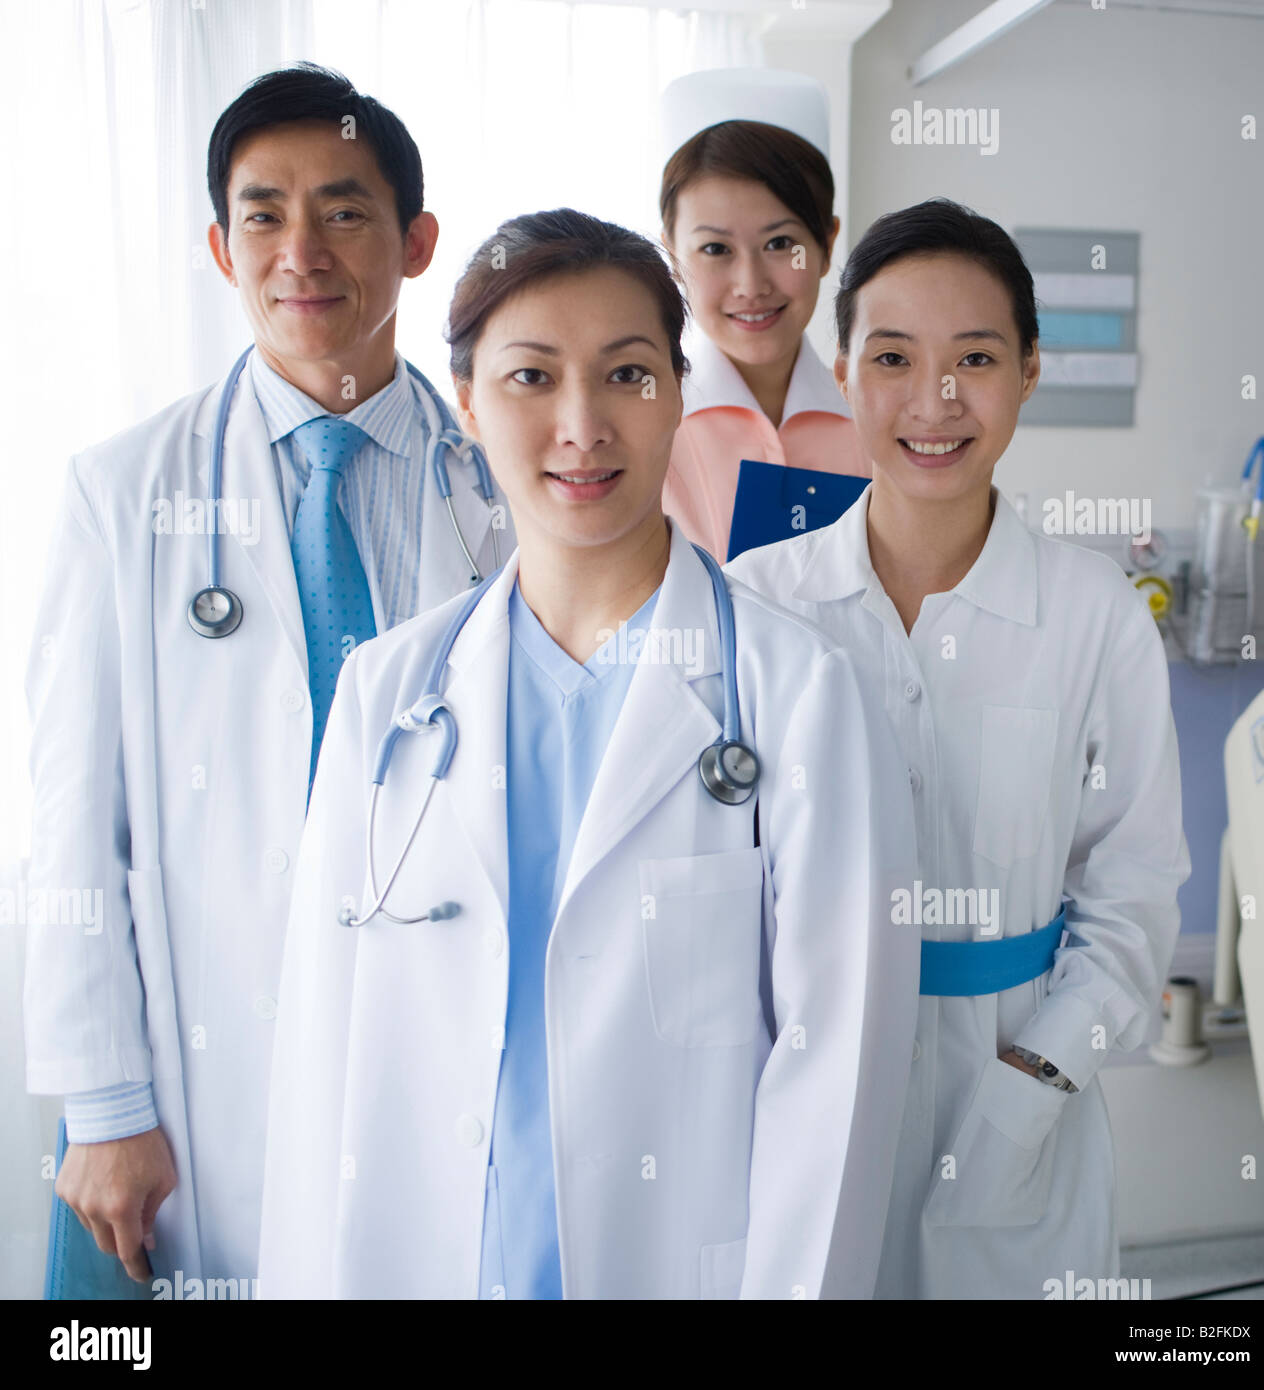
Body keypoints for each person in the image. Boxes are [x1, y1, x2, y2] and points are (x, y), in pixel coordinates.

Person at [257, 208, 918, 1300]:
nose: (582, 425)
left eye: (625, 375)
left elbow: (833, 1084)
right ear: (464, 405)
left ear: (676, 395)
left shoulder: (796, 697)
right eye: (530, 378)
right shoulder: (389, 696)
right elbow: (321, 1055)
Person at [24, 63, 511, 1291]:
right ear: (218, 243)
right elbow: (75, 823)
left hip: (440, 1046)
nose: (301, 250)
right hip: (207, 1088)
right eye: (262, 213)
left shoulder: (507, 491)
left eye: (344, 211)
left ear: (414, 243)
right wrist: (102, 1099)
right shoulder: (122, 493)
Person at [728, 198, 1191, 1299]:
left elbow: (1132, 891)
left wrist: (1035, 1074)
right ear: (841, 371)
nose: (934, 400)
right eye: (892, 356)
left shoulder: (1095, 617)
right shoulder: (759, 606)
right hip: (808, 1087)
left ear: (1028, 370)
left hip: (1021, 1102)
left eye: (974, 358)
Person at [658, 68, 869, 563]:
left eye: (780, 243)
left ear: (827, 242)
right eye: (715, 248)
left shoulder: (880, 423)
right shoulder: (644, 426)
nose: (751, 285)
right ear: (671, 254)